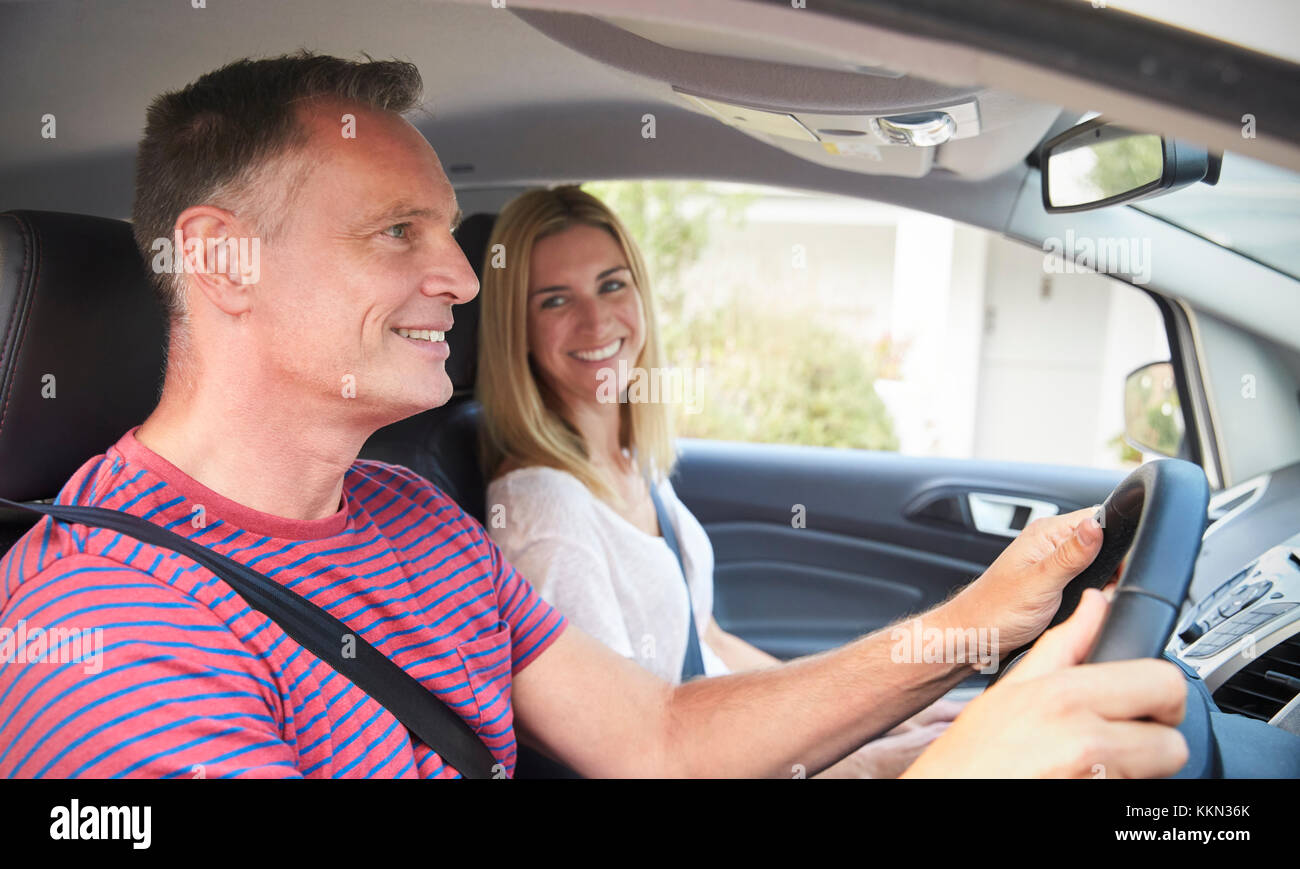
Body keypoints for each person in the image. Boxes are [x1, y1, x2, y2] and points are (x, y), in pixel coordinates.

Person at [0, 52, 1189, 779]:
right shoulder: (106, 636)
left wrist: (981, 621)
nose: (465, 283)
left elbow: (664, 738)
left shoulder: (411, 513)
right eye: (396, 233)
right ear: (225, 261)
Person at [478, 186, 962, 777]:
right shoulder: (542, 505)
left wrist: (882, 715)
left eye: (612, 284)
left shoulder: (636, 462)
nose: (597, 319)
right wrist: (872, 763)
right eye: (555, 301)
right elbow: (629, 745)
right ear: (517, 331)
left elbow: (708, 637)